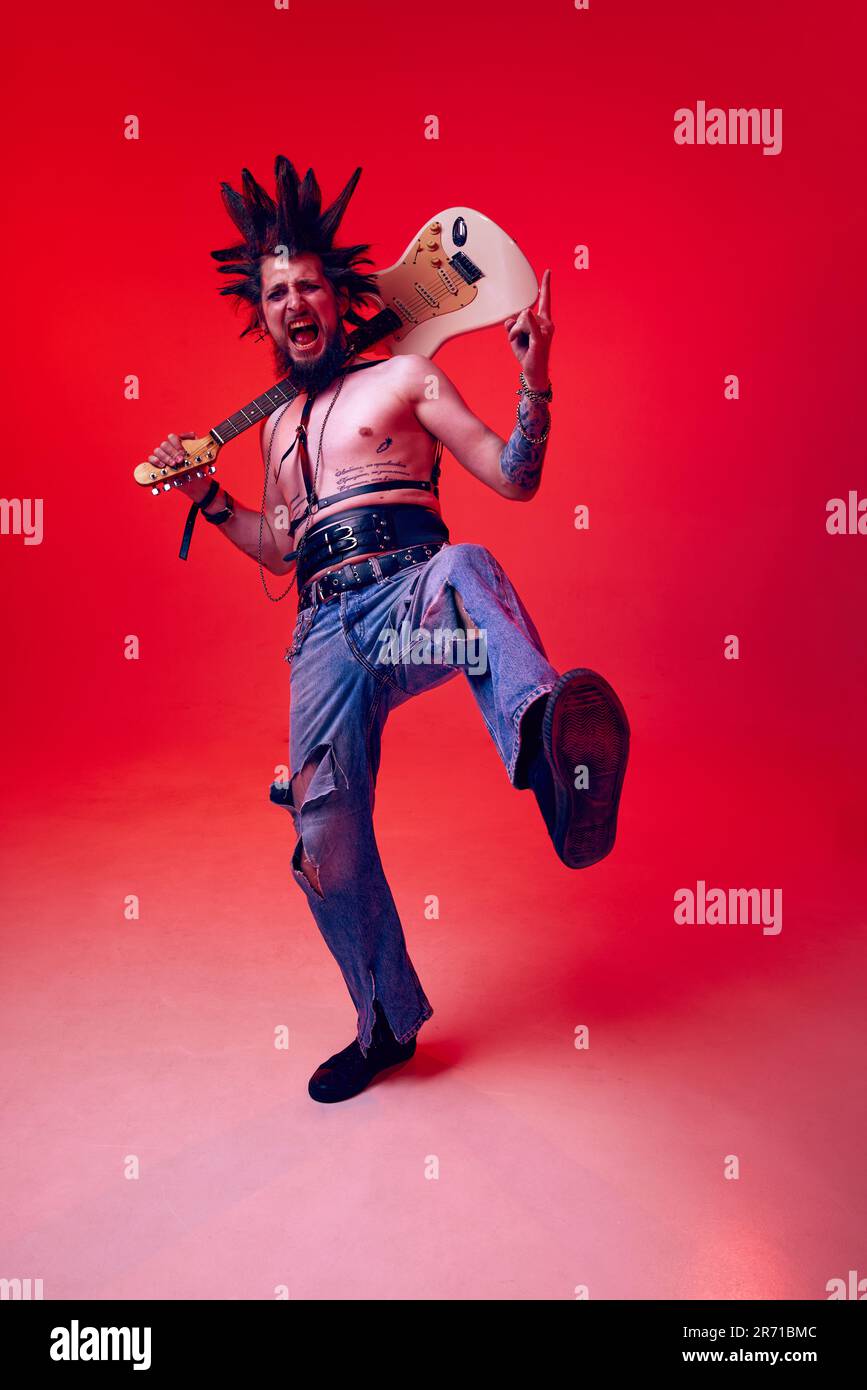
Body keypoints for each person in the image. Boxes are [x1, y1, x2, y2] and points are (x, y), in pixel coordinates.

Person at [144, 156, 630, 1104]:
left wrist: (537, 374)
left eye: (308, 286)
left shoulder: (407, 377)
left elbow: (515, 477)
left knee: (467, 568)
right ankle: (385, 1022)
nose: (293, 303)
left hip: (414, 614)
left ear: (339, 297)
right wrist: (208, 499)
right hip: (326, 637)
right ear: (265, 315)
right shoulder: (273, 434)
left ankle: (549, 744)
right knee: (321, 842)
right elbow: (279, 552)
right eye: (275, 292)